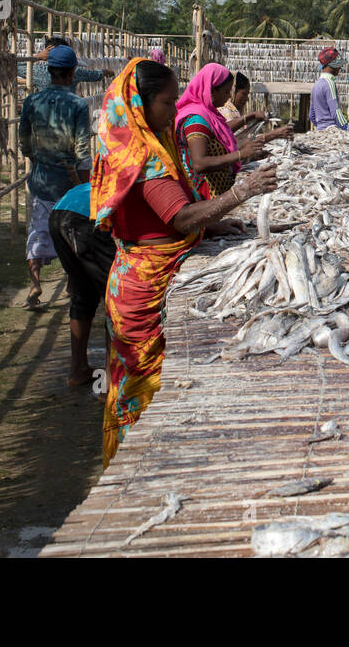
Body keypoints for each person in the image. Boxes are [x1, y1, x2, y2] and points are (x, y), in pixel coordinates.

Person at [91, 58, 278, 467]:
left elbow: (175, 214)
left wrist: (212, 226)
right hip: (143, 286)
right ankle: (131, 474)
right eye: (167, 101)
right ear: (140, 105)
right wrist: (240, 193)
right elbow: (178, 217)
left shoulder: (157, 145)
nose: (175, 110)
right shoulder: (144, 158)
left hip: (150, 271)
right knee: (143, 386)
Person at [19, 45, 92, 309]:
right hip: (69, 181)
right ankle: (72, 282)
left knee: (38, 230)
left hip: (41, 179)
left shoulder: (31, 101)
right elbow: (83, 149)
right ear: (72, 73)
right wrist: (85, 185)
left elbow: (24, 143)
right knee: (72, 233)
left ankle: (35, 283)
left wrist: (37, 158)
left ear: (49, 72)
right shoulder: (78, 104)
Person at [175, 63, 290, 196]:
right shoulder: (196, 118)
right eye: (226, 91)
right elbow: (200, 163)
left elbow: (217, 132)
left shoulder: (208, 114)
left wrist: (250, 117)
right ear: (211, 90)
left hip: (218, 186)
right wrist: (241, 154)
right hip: (203, 193)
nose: (229, 96)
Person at [48, 181, 116, 388]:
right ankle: (108, 383)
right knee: (114, 298)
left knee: (83, 294)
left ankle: (78, 369)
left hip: (61, 211)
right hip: (90, 218)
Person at [18, 36, 114, 92]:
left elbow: (13, 67)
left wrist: (37, 57)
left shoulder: (38, 71)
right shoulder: (76, 72)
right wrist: (111, 72)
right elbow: (96, 75)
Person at [220, 72, 274, 140]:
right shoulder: (224, 111)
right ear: (233, 91)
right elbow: (235, 140)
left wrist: (255, 121)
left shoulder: (234, 113)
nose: (247, 99)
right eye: (244, 93)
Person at [309, 47, 349, 130]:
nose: (340, 68)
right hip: (332, 128)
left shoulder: (316, 85)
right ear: (331, 66)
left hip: (320, 129)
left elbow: (311, 115)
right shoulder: (329, 83)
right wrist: (346, 127)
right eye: (338, 65)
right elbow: (335, 111)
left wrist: (321, 128)